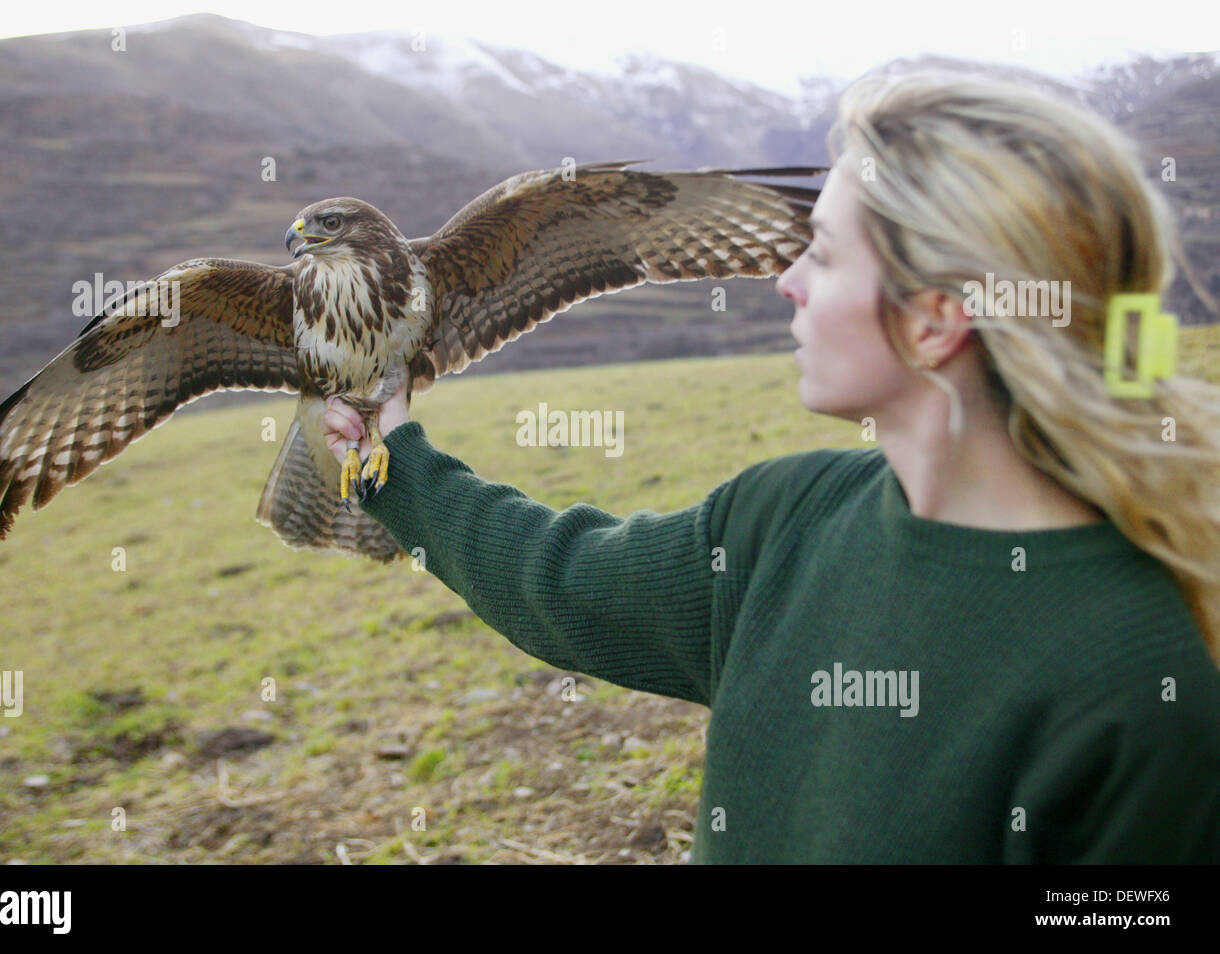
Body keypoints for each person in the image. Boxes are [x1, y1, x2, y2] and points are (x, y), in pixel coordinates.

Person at [323, 66, 1220, 863]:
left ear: (934, 323)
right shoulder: (782, 519)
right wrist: (394, 463)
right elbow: (564, 582)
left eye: (822, 255)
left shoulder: (1141, 685)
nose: (785, 281)